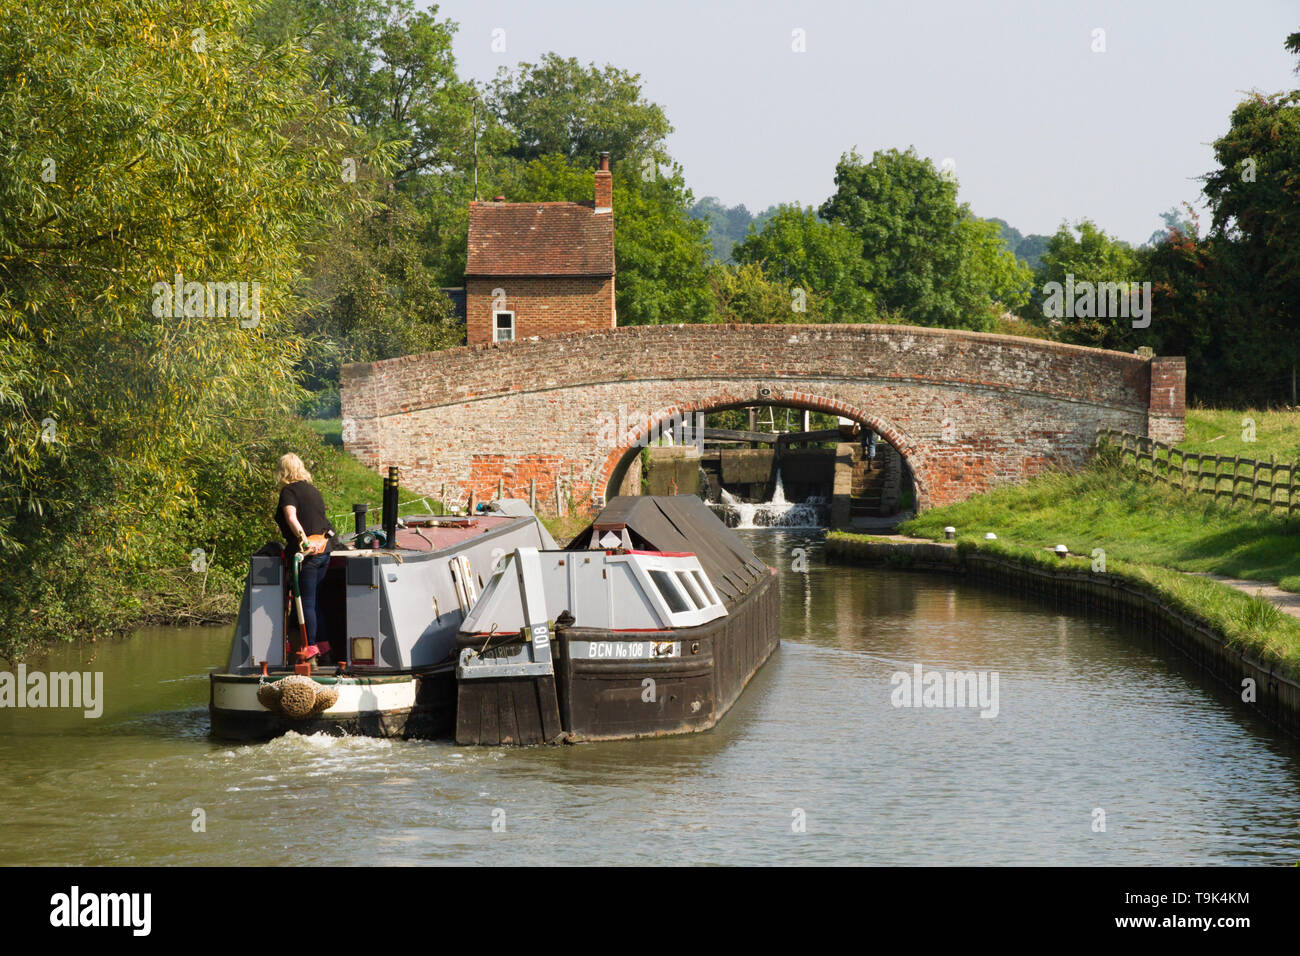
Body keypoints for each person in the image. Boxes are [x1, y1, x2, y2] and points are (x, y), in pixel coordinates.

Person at [274, 453, 337, 663]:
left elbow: (291, 518)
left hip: (308, 555)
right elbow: (323, 522)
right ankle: (323, 643)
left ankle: (310, 647)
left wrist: (304, 541)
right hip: (324, 553)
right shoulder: (313, 491)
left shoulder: (288, 491)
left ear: (283, 471)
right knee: (315, 600)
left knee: (307, 602)